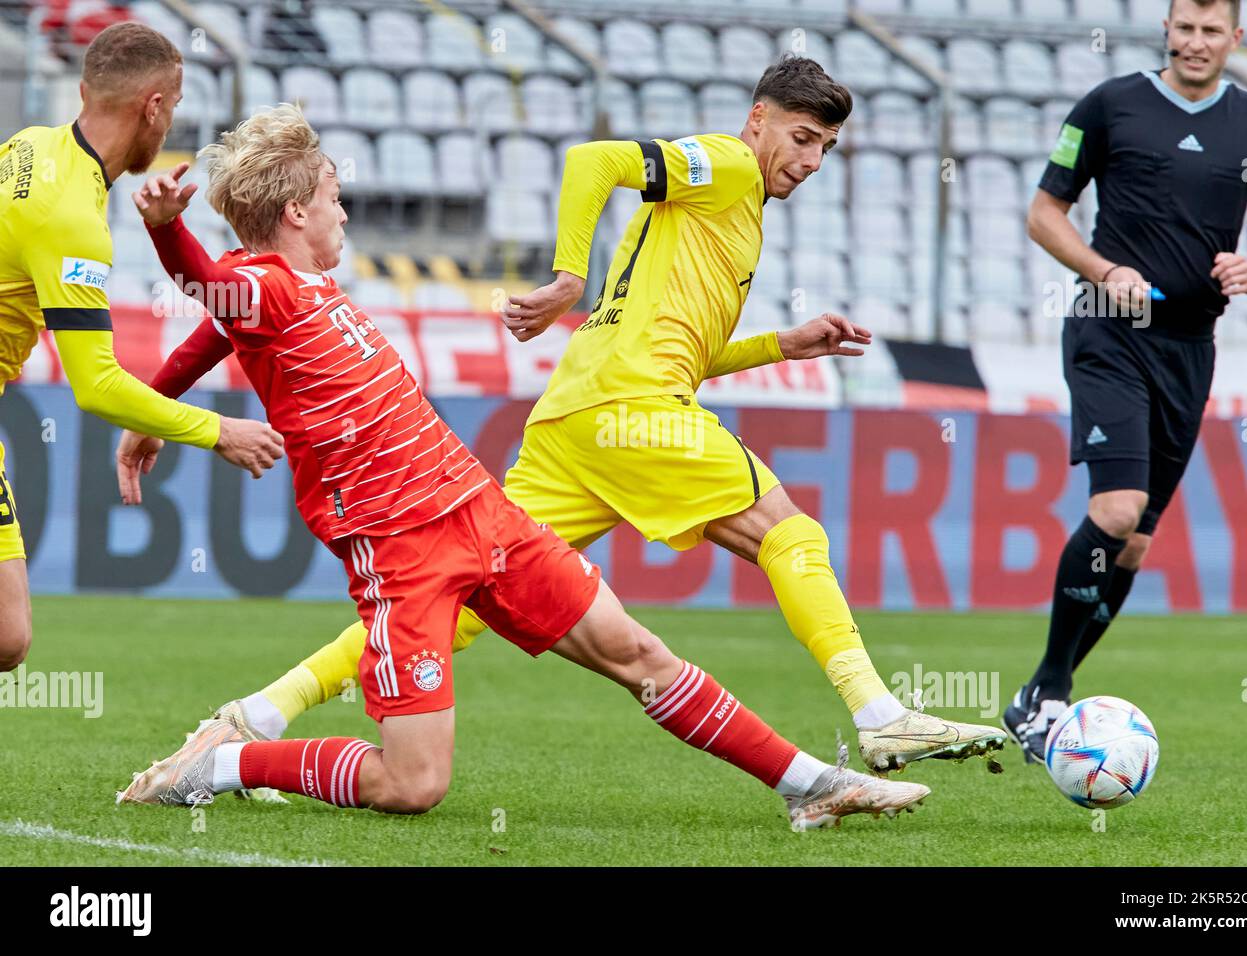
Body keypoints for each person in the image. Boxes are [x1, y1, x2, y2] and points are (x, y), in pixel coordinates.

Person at [138, 56, 1005, 778]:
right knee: (790, 533)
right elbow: (596, 160)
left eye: (828, 149)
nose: (812, 161)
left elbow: (685, 350)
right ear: (759, 119)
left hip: (577, 415)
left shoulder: (728, 222)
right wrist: (564, 275)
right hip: (631, 406)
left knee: (462, 596)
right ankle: (879, 712)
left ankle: (259, 712)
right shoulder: (729, 164)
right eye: (804, 138)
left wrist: (782, 344)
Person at [1004, 0, 1247, 761]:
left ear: (1236, 38)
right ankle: (1049, 694)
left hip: (1190, 348)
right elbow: (1044, 214)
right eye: (1185, 28)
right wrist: (1104, 270)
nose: (1197, 43)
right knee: (1117, 507)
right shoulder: (1112, 105)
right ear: (1166, 30)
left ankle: (1041, 694)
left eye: (1213, 31)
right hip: (1108, 331)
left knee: (1134, 545)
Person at [0, 22, 283, 674]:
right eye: (175, 108)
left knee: (9, 635)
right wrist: (219, 432)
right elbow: (96, 385)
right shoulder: (71, 218)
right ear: (153, 106)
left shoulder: (30, 144)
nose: (170, 124)